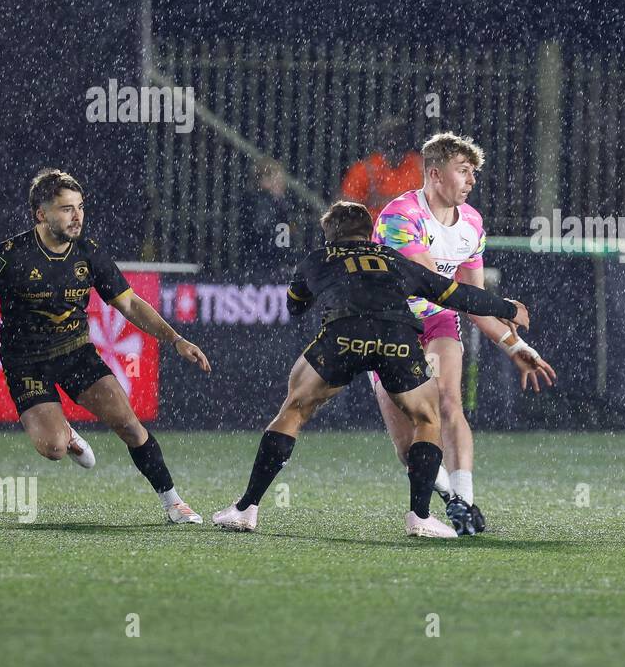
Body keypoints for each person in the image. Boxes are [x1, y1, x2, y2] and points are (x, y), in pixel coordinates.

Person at [210, 201, 532, 538]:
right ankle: (420, 517)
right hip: (396, 338)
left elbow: (295, 306)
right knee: (427, 419)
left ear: (328, 236)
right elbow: (453, 294)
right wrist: (507, 307)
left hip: (344, 336)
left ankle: (246, 509)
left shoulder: (317, 260)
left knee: (293, 410)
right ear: (370, 233)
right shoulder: (395, 260)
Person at [0, 168, 212, 523]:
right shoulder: (10, 256)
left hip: (76, 354)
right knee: (53, 448)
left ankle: (173, 502)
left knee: (129, 426)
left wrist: (175, 339)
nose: (77, 216)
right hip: (26, 363)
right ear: (41, 214)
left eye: (80, 207)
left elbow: (129, 304)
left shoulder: (89, 253)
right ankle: (65, 435)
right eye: (66, 208)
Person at [372, 132, 556, 535]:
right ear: (435, 174)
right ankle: (448, 497)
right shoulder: (401, 216)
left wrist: (515, 346)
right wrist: (504, 309)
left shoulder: (471, 223)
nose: (472, 180)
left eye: (474, 172)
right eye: (463, 170)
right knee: (407, 443)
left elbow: (471, 301)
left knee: (448, 402)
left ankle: (464, 502)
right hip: (387, 324)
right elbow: (433, 286)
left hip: (436, 319)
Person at [340, 117, 424, 217]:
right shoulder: (365, 170)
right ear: (380, 143)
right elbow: (348, 210)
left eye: (399, 142)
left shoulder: (420, 166)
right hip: (376, 226)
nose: (394, 149)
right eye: (390, 144)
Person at [244, 156, 295, 269]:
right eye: (276, 178)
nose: (281, 182)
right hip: (266, 267)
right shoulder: (265, 204)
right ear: (263, 182)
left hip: (263, 266)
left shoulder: (273, 203)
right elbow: (268, 236)